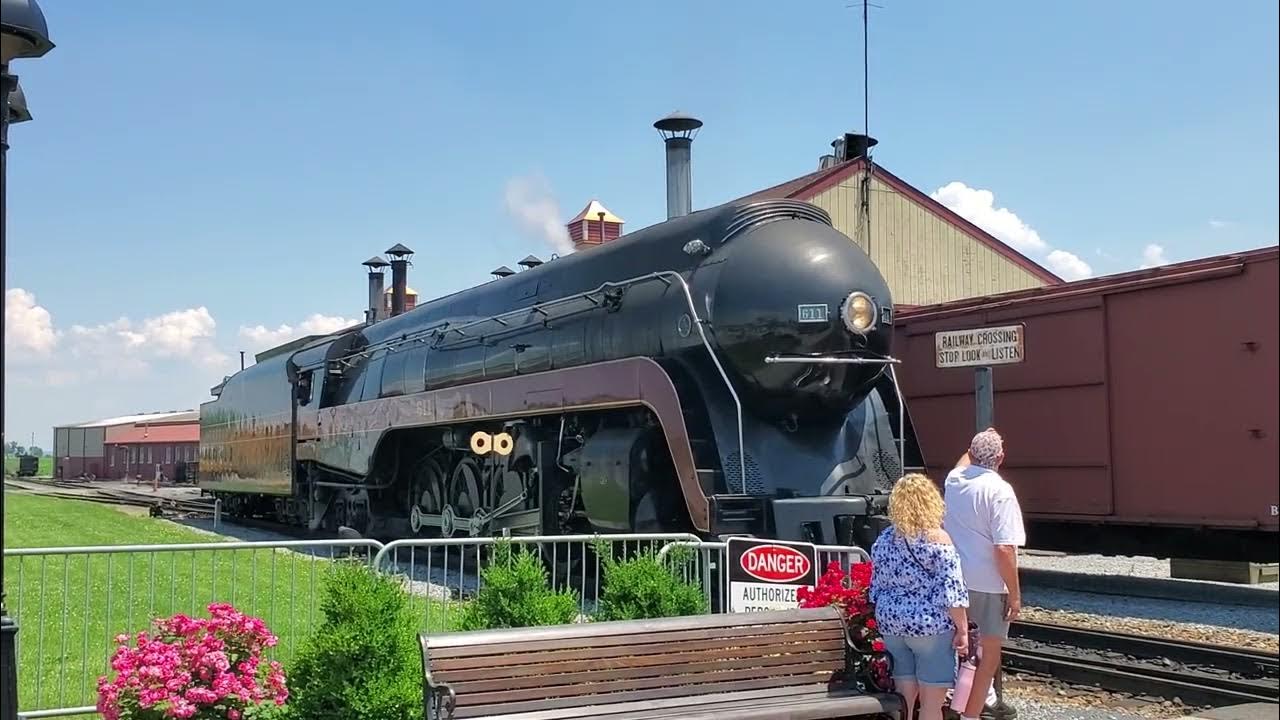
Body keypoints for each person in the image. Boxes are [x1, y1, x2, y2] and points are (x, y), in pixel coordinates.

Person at [870, 473, 969, 720]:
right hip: (929, 626)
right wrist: (963, 629)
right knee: (931, 704)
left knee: (904, 699)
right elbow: (952, 591)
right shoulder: (938, 539)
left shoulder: (884, 538)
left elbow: (876, 586)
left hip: (892, 623)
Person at [943, 428, 1026, 720]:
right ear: (1001, 458)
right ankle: (970, 716)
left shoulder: (954, 480)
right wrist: (1014, 594)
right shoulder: (1001, 491)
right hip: (988, 583)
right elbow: (1004, 549)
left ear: (971, 453)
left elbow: (963, 462)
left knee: (962, 653)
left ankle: (953, 708)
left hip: (955, 581)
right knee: (986, 659)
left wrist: (978, 440)